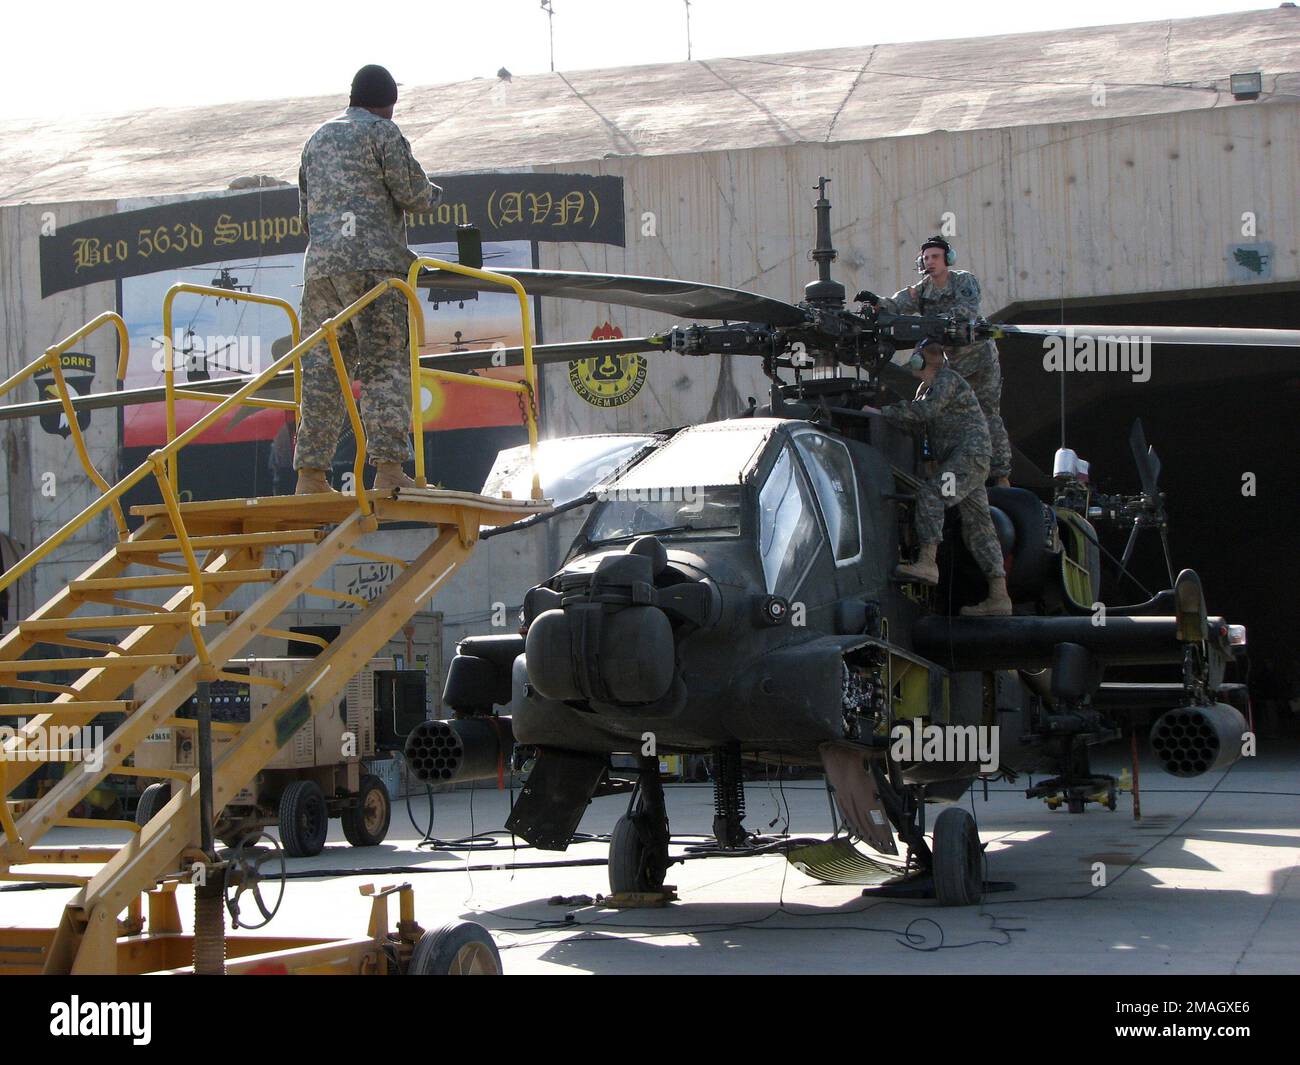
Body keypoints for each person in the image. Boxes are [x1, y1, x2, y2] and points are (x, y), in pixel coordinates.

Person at [293, 64, 442, 495]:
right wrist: (436, 193)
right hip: (376, 271)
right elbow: (413, 194)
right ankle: (391, 471)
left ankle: (311, 476)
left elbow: (306, 216)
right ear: (389, 104)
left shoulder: (315, 140)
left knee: (323, 371)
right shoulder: (383, 133)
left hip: (322, 272)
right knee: (384, 366)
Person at [874, 340, 1013, 617]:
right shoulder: (927, 388)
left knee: (931, 494)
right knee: (979, 526)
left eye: (916, 358)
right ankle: (999, 596)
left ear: (922, 359)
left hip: (968, 455)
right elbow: (915, 419)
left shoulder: (947, 380)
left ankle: (927, 563)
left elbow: (924, 412)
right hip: (965, 459)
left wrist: (881, 413)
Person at [874, 236, 1012, 487]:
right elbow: (898, 303)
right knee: (925, 404)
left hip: (979, 361)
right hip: (951, 365)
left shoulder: (963, 281)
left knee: (987, 413)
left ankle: (1000, 474)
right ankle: (931, 464)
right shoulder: (923, 290)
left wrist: (933, 323)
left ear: (947, 259)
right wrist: (876, 304)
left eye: (935, 256)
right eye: (926, 258)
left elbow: (966, 311)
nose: (930, 262)